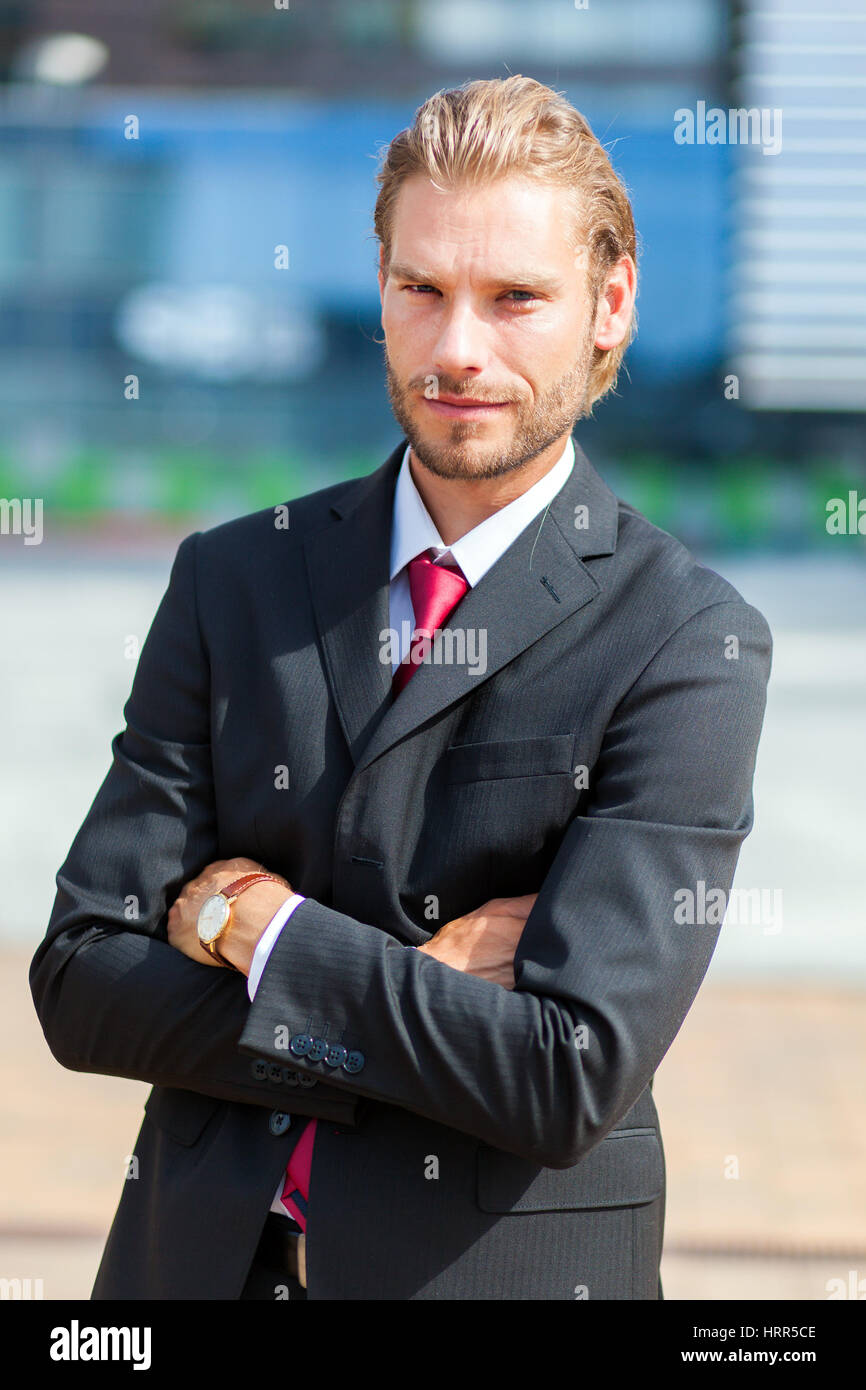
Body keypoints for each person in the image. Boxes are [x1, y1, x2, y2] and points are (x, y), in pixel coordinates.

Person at [30, 75, 771, 1300]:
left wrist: (260, 933)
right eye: (419, 289)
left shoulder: (686, 639)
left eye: (514, 298)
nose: (456, 348)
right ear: (378, 288)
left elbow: (563, 1072)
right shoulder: (235, 576)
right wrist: (419, 999)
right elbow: (83, 980)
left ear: (611, 304)